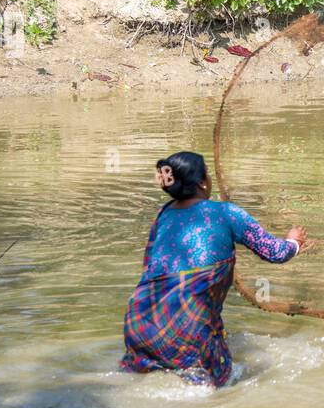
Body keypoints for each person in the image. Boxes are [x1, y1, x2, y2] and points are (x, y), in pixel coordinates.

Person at [121, 151, 305, 386]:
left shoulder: (164, 214)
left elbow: (148, 268)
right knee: (220, 388)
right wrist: (293, 242)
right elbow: (276, 252)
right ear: (202, 182)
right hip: (187, 329)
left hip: (139, 322)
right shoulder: (227, 213)